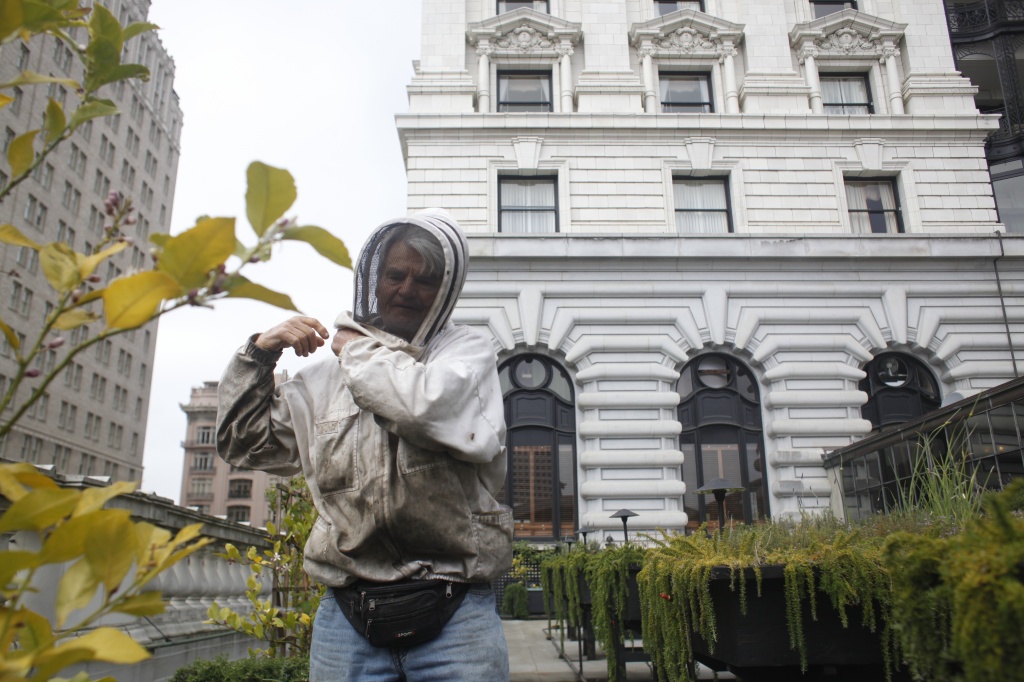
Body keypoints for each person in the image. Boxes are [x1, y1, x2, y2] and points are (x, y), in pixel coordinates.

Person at [216, 209, 513, 681]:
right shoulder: (321, 380)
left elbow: (420, 407)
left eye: (425, 279)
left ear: (445, 291)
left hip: (456, 612)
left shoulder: (465, 355)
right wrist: (260, 352)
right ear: (374, 279)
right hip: (348, 617)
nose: (407, 288)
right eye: (396, 274)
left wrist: (354, 350)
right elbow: (242, 443)